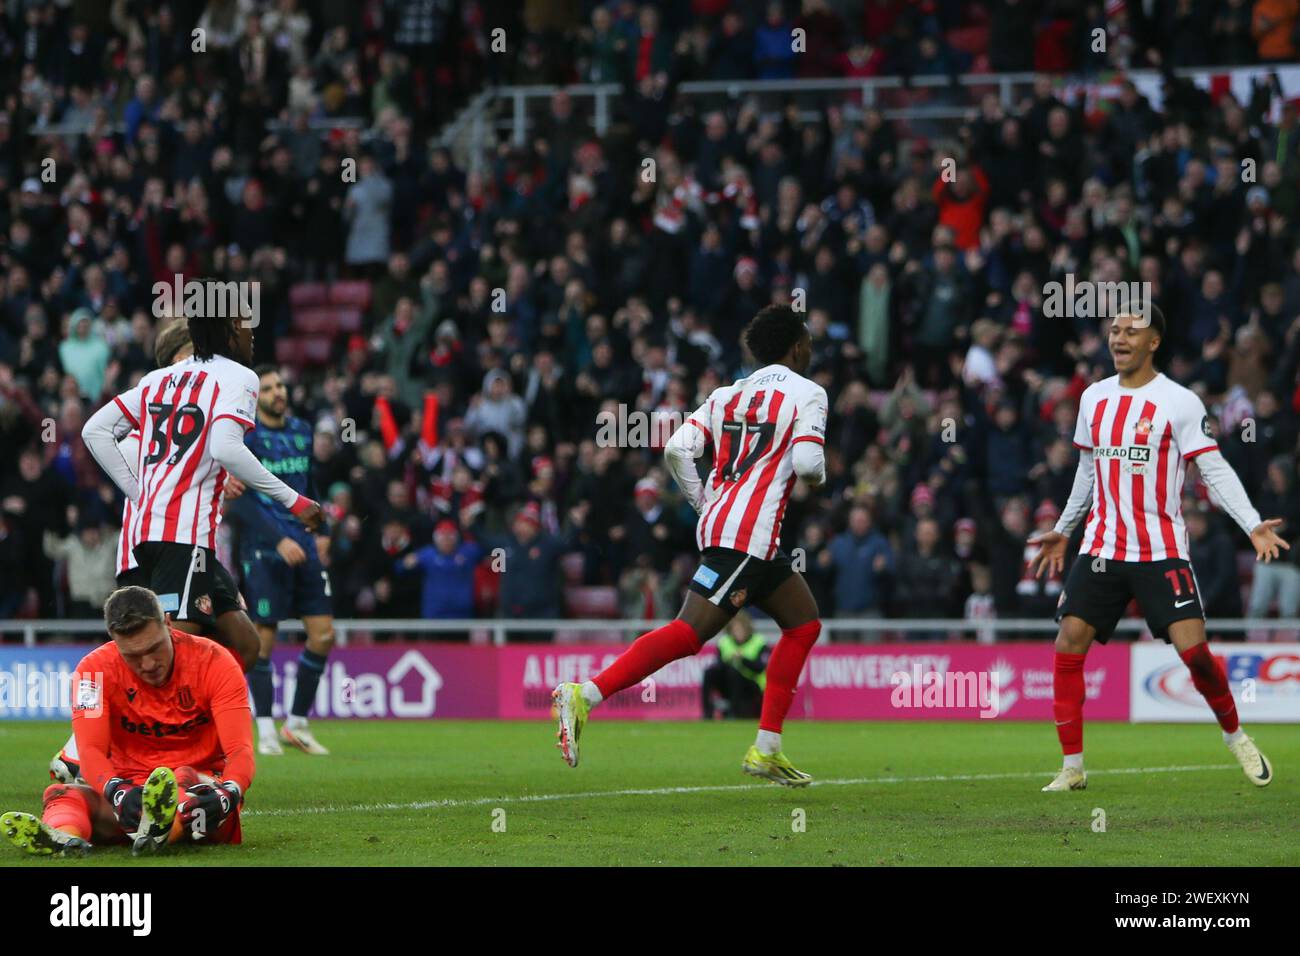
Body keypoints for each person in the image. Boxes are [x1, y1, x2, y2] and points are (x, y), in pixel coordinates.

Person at [551, 305, 828, 786]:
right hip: (749, 537)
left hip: (736, 533)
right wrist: (821, 476)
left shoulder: (727, 394)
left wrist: (703, 503)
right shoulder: (809, 393)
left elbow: (678, 448)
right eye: (806, 340)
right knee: (688, 633)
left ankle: (767, 747)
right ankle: (585, 695)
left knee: (803, 624)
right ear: (798, 346)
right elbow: (807, 465)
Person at [1029, 306, 1286, 791]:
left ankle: (1236, 736)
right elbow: (1087, 472)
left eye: (1131, 331)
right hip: (1102, 545)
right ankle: (1073, 766)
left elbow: (1213, 468)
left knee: (1196, 657)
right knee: (1068, 645)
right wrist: (1065, 528)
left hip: (1161, 550)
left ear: (1153, 343)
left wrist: (1251, 524)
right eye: (1114, 330)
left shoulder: (1180, 402)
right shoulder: (1092, 399)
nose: (1119, 338)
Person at [48, 319, 266, 785]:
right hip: (154, 545)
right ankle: (79, 752)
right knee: (170, 642)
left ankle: (185, 741)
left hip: (196, 544)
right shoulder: (146, 415)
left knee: (245, 644)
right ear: (172, 363)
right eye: (194, 356)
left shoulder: (202, 409)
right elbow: (145, 477)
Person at [1, 587, 254, 856]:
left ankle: (158, 829)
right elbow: (91, 751)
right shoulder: (92, 672)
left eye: (154, 648)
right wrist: (117, 790)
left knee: (181, 778)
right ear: (113, 638)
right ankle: (66, 839)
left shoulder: (216, 662)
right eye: (132, 656)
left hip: (202, 797)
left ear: (168, 622)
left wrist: (230, 793)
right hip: (130, 798)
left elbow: (240, 751)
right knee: (63, 793)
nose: (147, 664)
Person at [225, 366, 335, 756]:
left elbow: (310, 484)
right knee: (264, 641)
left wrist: (323, 531)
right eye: (268, 388)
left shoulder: (302, 431)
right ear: (257, 396)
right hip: (265, 548)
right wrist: (279, 538)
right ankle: (266, 729)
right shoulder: (245, 437)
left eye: (279, 386)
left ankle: (298, 724)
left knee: (323, 634)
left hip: (304, 543)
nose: (276, 393)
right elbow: (239, 501)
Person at [701, 611, 770, 719]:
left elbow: (761, 668)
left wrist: (743, 659)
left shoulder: (759, 642)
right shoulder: (724, 642)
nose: (738, 633)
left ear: (747, 629)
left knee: (734, 673)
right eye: (735, 630)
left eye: (741, 629)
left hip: (751, 684)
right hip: (729, 683)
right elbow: (718, 665)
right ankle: (707, 713)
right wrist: (728, 660)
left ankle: (734, 713)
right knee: (709, 673)